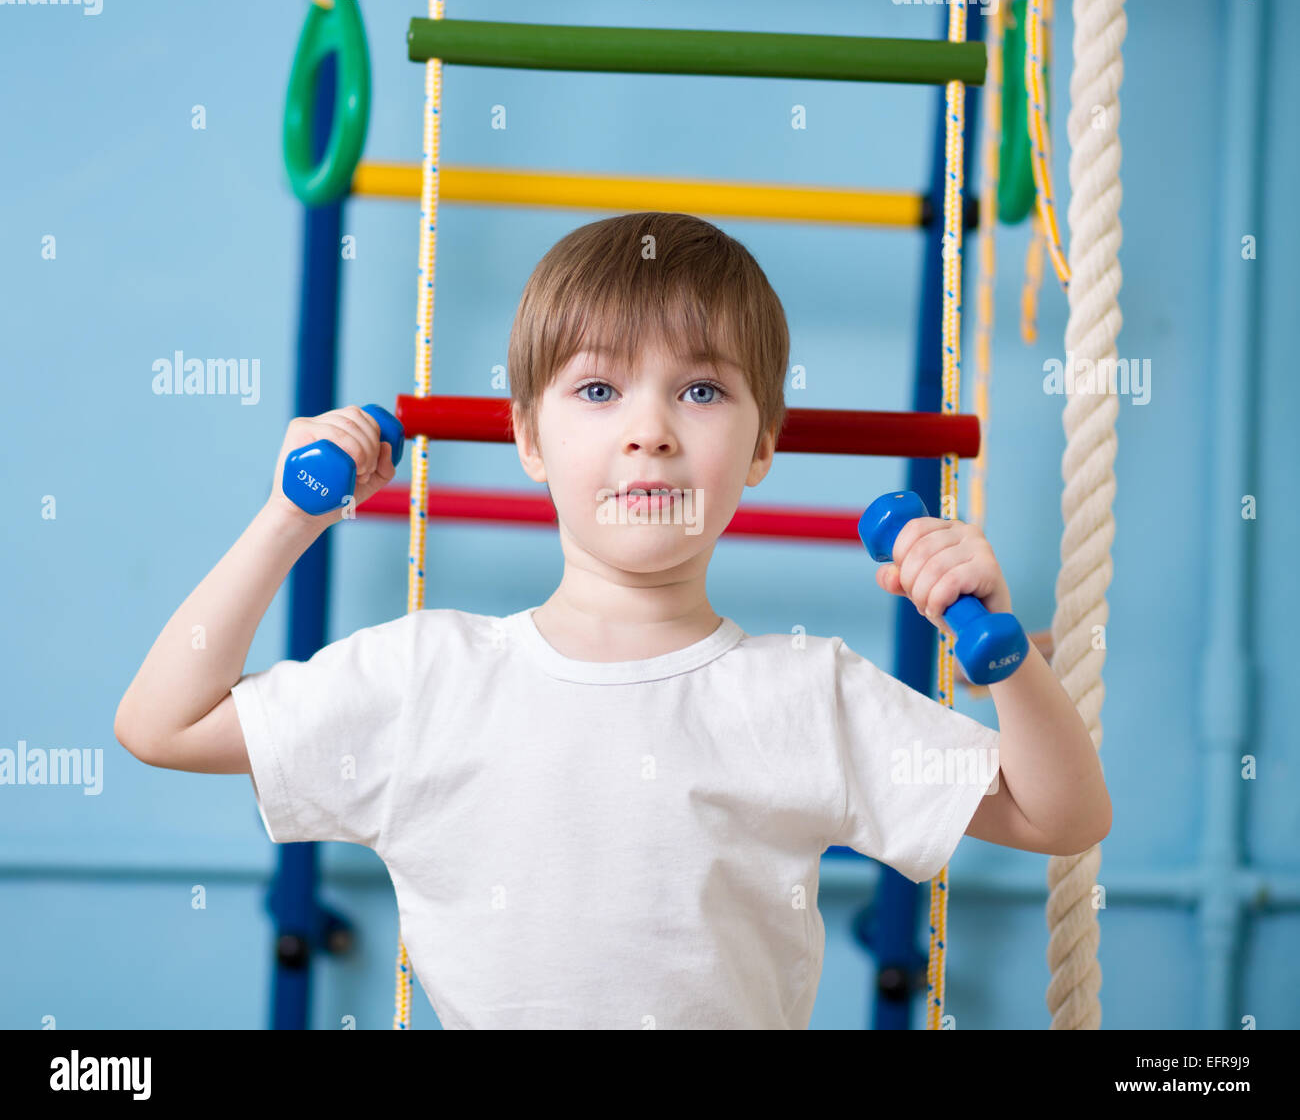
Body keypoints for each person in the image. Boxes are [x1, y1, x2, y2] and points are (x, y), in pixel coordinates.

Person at [115, 212, 1111, 1029]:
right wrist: (291, 514)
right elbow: (160, 723)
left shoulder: (809, 693)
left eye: (701, 389)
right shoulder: (426, 677)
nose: (650, 428)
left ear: (761, 442)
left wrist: (1004, 649)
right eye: (597, 389)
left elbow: (1061, 813)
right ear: (528, 437)